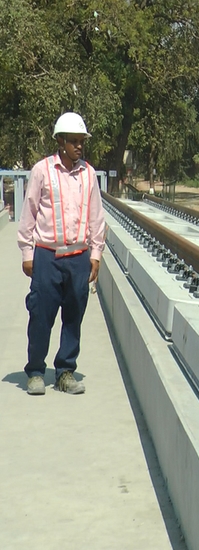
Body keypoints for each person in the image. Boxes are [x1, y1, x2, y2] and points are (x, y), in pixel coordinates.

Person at [17, 112, 106, 395]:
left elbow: (96, 218)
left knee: (74, 315)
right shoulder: (42, 171)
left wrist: (95, 254)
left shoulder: (89, 174)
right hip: (46, 256)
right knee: (41, 315)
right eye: (74, 141)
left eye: (82, 142)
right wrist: (27, 253)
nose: (79, 146)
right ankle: (35, 371)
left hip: (79, 258)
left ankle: (65, 371)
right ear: (60, 141)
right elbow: (28, 213)